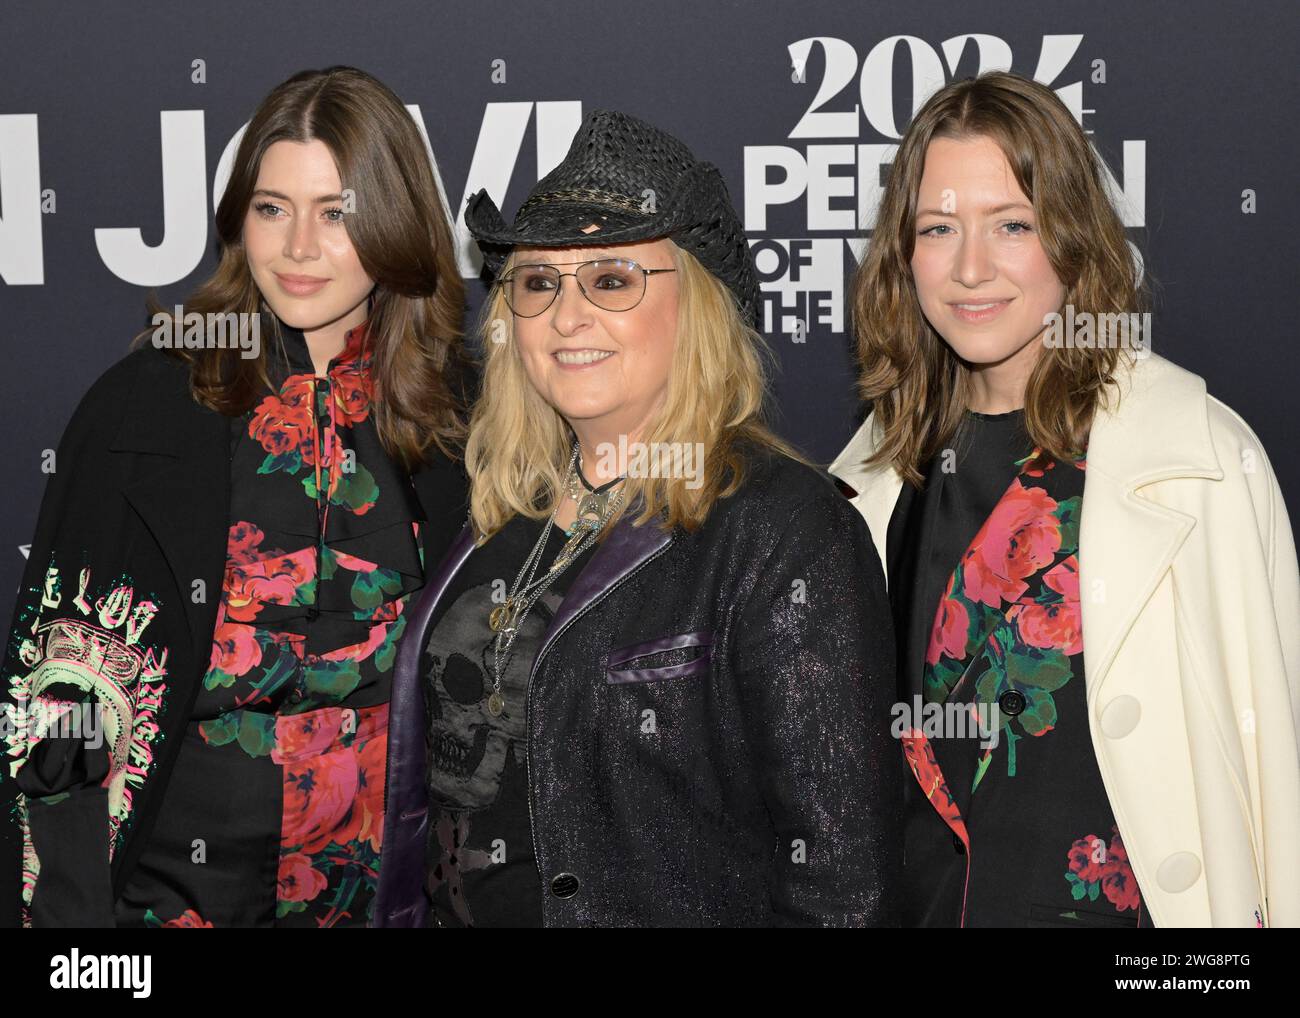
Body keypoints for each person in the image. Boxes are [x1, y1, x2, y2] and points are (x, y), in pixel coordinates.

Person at [373, 109, 902, 927]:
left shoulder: (785, 531)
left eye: (612, 279)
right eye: (539, 281)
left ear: (695, 306)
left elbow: (843, 887)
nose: (567, 314)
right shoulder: (497, 508)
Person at [0, 66, 471, 927]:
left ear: (398, 221)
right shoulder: (145, 404)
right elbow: (62, 690)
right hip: (169, 900)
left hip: (389, 900)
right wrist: (69, 927)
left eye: (337, 213)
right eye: (271, 208)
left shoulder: (459, 417)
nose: (297, 247)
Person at [830, 70, 1300, 928]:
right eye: (939, 228)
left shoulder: (1198, 462)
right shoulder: (867, 483)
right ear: (904, 255)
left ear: (1074, 239)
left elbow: (1278, 776)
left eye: (1012, 224)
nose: (972, 268)